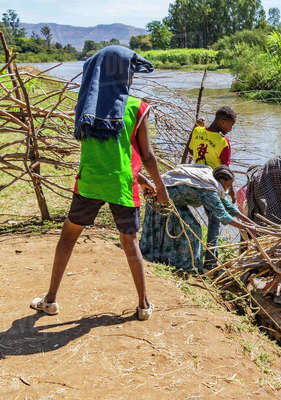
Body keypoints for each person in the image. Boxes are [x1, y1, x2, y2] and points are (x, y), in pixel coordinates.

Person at [30, 46, 168, 321]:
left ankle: (51, 300)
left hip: (91, 182)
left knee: (68, 238)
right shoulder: (136, 107)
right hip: (121, 185)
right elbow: (147, 156)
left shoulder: (86, 106)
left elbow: (106, 153)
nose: (132, 76)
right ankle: (144, 305)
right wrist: (161, 189)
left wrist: (140, 176)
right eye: (129, 71)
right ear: (121, 75)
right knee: (130, 243)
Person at [140, 165, 257, 274]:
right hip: (162, 197)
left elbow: (230, 208)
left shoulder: (211, 182)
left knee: (191, 227)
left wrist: (251, 223)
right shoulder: (209, 189)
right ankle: (186, 264)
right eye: (229, 184)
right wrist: (247, 228)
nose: (228, 188)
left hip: (175, 201)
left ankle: (178, 260)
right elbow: (223, 216)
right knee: (192, 229)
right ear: (222, 180)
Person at [182, 106, 237, 267]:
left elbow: (192, 151)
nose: (230, 129)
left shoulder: (198, 131)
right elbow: (225, 171)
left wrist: (196, 128)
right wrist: (230, 192)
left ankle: (192, 253)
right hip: (211, 186)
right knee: (214, 223)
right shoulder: (223, 142)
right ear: (222, 121)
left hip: (194, 180)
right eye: (230, 125)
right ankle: (211, 262)